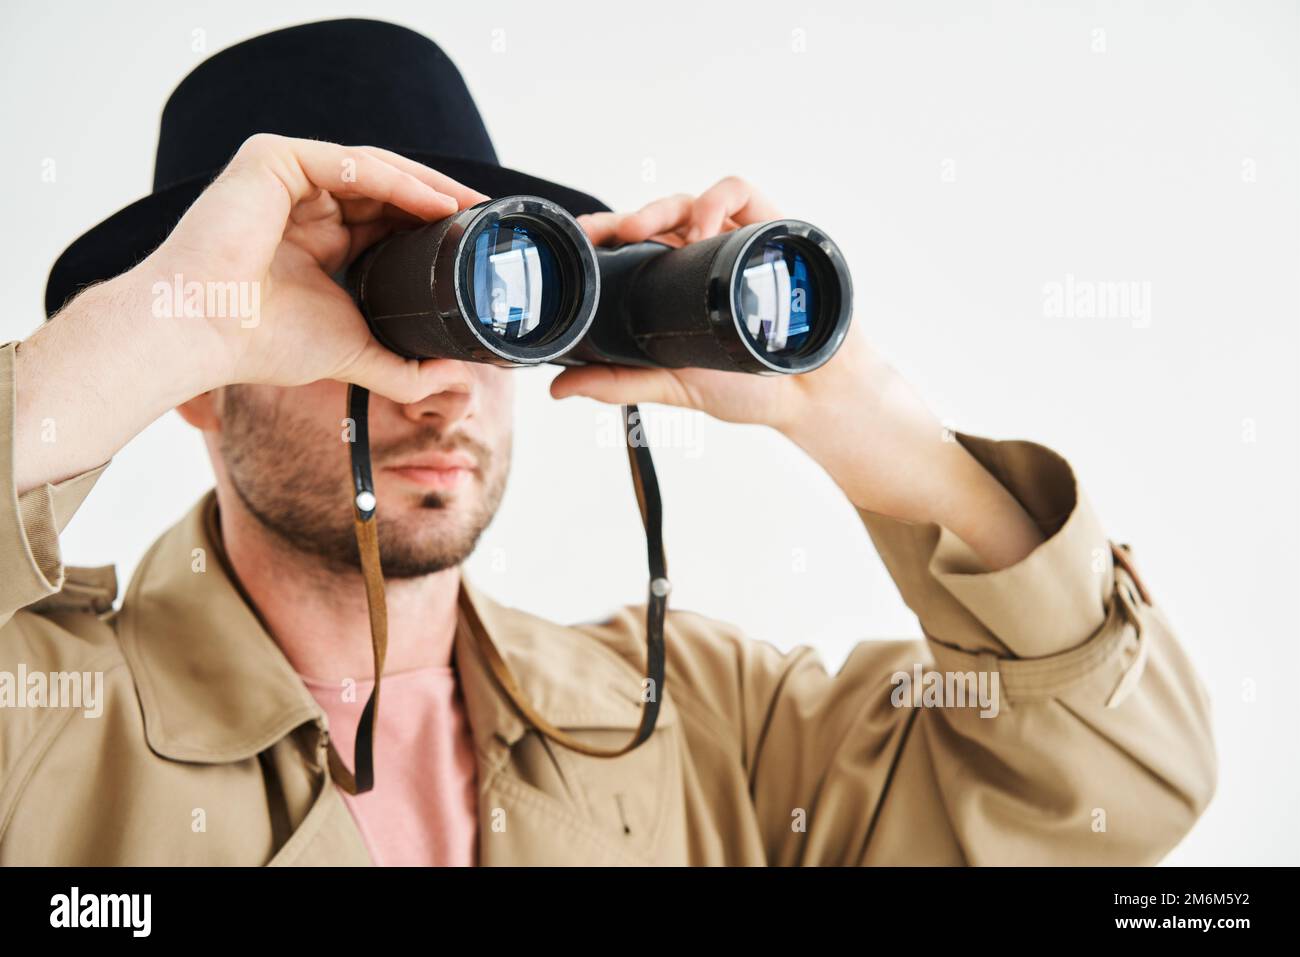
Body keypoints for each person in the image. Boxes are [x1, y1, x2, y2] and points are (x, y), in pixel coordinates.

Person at [0, 18, 1215, 866]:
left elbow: (1115, 782)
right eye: (367, 325)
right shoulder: (44, 723)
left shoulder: (703, 722)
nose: (444, 390)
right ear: (200, 391)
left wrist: (856, 416)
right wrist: (159, 323)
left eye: (485, 315)